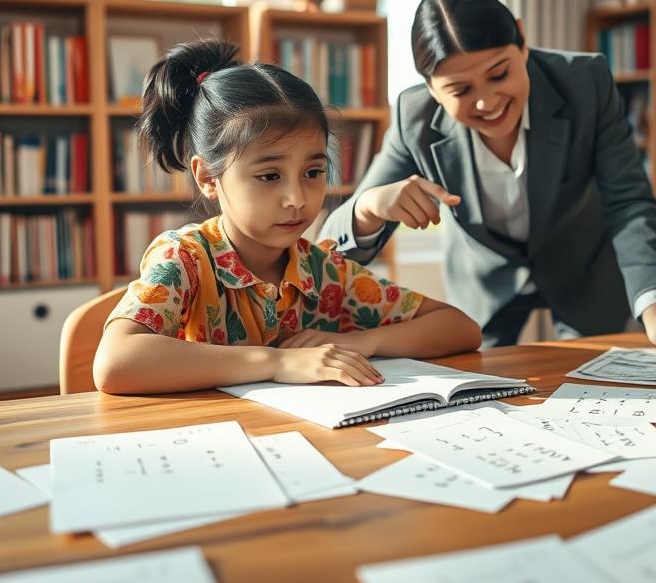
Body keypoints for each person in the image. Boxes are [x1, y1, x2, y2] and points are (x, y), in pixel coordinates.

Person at [321, 0, 656, 358]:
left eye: (499, 73)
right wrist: (369, 208)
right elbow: (330, 251)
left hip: (584, 273)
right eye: (460, 90)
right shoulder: (412, 116)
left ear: (522, 41)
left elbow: (628, 200)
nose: (487, 102)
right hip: (484, 286)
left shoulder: (586, 82)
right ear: (431, 89)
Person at [93, 39, 482, 395]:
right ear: (209, 178)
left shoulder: (326, 271)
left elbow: (459, 329)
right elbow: (116, 363)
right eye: (269, 176)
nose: (296, 198)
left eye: (313, 173)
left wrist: (364, 341)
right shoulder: (186, 259)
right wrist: (278, 361)